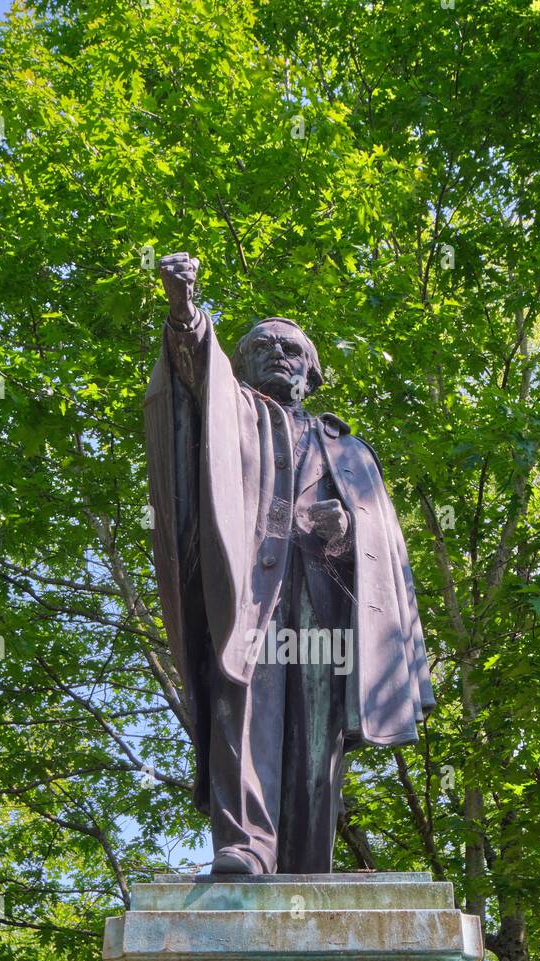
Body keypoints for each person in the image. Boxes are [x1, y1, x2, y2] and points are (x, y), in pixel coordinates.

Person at [144, 252, 434, 874]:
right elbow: (196, 374)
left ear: (313, 374)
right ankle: (246, 847)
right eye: (264, 346)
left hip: (325, 593)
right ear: (241, 365)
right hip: (250, 589)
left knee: (315, 734)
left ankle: (306, 862)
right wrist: (184, 311)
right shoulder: (235, 419)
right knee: (242, 707)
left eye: (293, 350)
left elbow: (385, 548)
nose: (279, 355)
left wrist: (348, 528)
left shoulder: (351, 452)